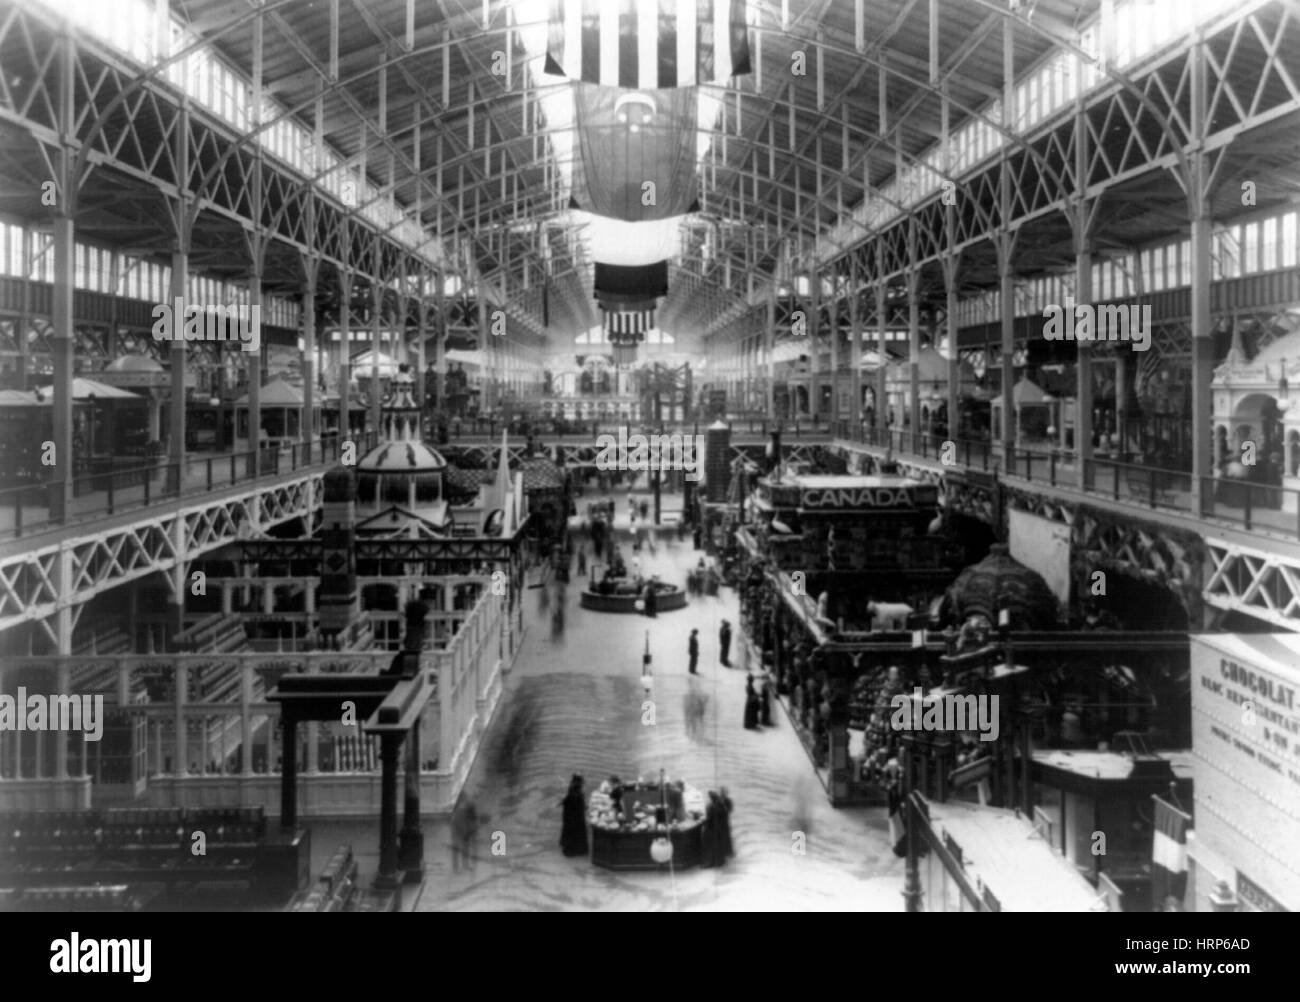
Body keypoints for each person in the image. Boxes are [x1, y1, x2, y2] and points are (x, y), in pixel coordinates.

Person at [560, 773, 589, 857]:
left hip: (569, 815)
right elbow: (579, 804)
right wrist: (585, 807)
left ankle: (570, 848)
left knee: (570, 831)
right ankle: (575, 850)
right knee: (576, 832)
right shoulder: (577, 792)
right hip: (575, 816)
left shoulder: (572, 789)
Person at [450, 791, 480, 872]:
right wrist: (465, 833)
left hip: (464, 830)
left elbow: (473, 823)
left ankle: (465, 865)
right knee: (456, 847)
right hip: (457, 830)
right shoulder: (461, 812)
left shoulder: (470, 812)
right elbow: (459, 824)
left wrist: (470, 832)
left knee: (465, 847)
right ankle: (456, 868)